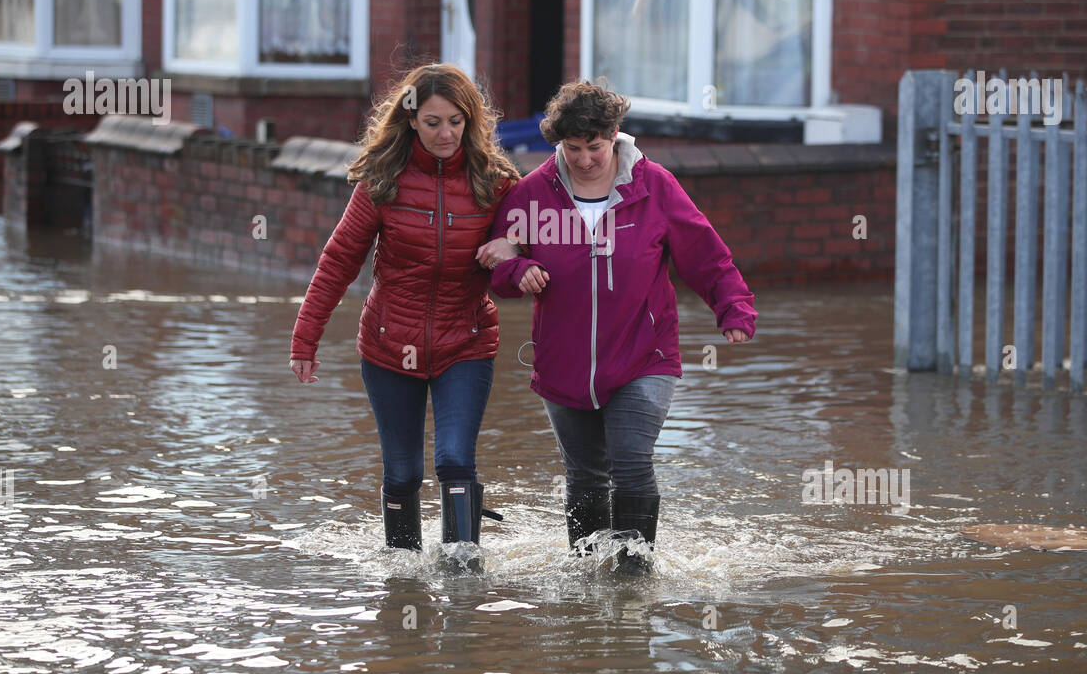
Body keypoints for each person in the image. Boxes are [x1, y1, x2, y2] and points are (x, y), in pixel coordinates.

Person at [477, 80, 756, 575]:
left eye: (595, 147)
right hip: (564, 362)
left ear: (616, 136)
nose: (585, 159)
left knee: (629, 462)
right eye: (573, 148)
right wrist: (518, 271)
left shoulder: (656, 187)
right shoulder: (533, 193)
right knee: (584, 475)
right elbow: (498, 261)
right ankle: (586, 579)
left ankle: (633, 577)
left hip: (644, 356)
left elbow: (706, 257)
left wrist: (732, 307)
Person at [289, 63, 519, 567]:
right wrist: (305, 340)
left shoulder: (496, 183)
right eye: (433, 121)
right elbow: (338, 261)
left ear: (471, 121)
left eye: (456, 121)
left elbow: (539, 245)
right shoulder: (382, 181)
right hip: (390, 345)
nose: (446, 133)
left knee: (456, 460)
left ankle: (463, 578)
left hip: (467, 342)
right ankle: (403, 582)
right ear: (412, 120)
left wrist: (513, 243)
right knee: (402, 474)